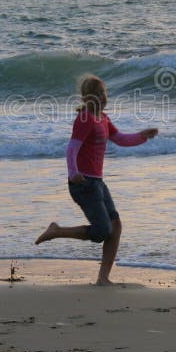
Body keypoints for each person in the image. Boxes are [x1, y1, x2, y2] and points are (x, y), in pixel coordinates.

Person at [35, 74, 158, 285]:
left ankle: (103, 278)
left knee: (115, 225)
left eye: (104, 93)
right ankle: (56, 231)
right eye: (98, 93)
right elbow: (72, 148)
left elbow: (120, 139)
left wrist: (142, 136)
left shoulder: (103, 118)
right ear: (88, 97)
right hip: (82, 183)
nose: (103, 97)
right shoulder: (85, 118)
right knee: (102, 231)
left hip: (97, 182)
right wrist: (73, 173)